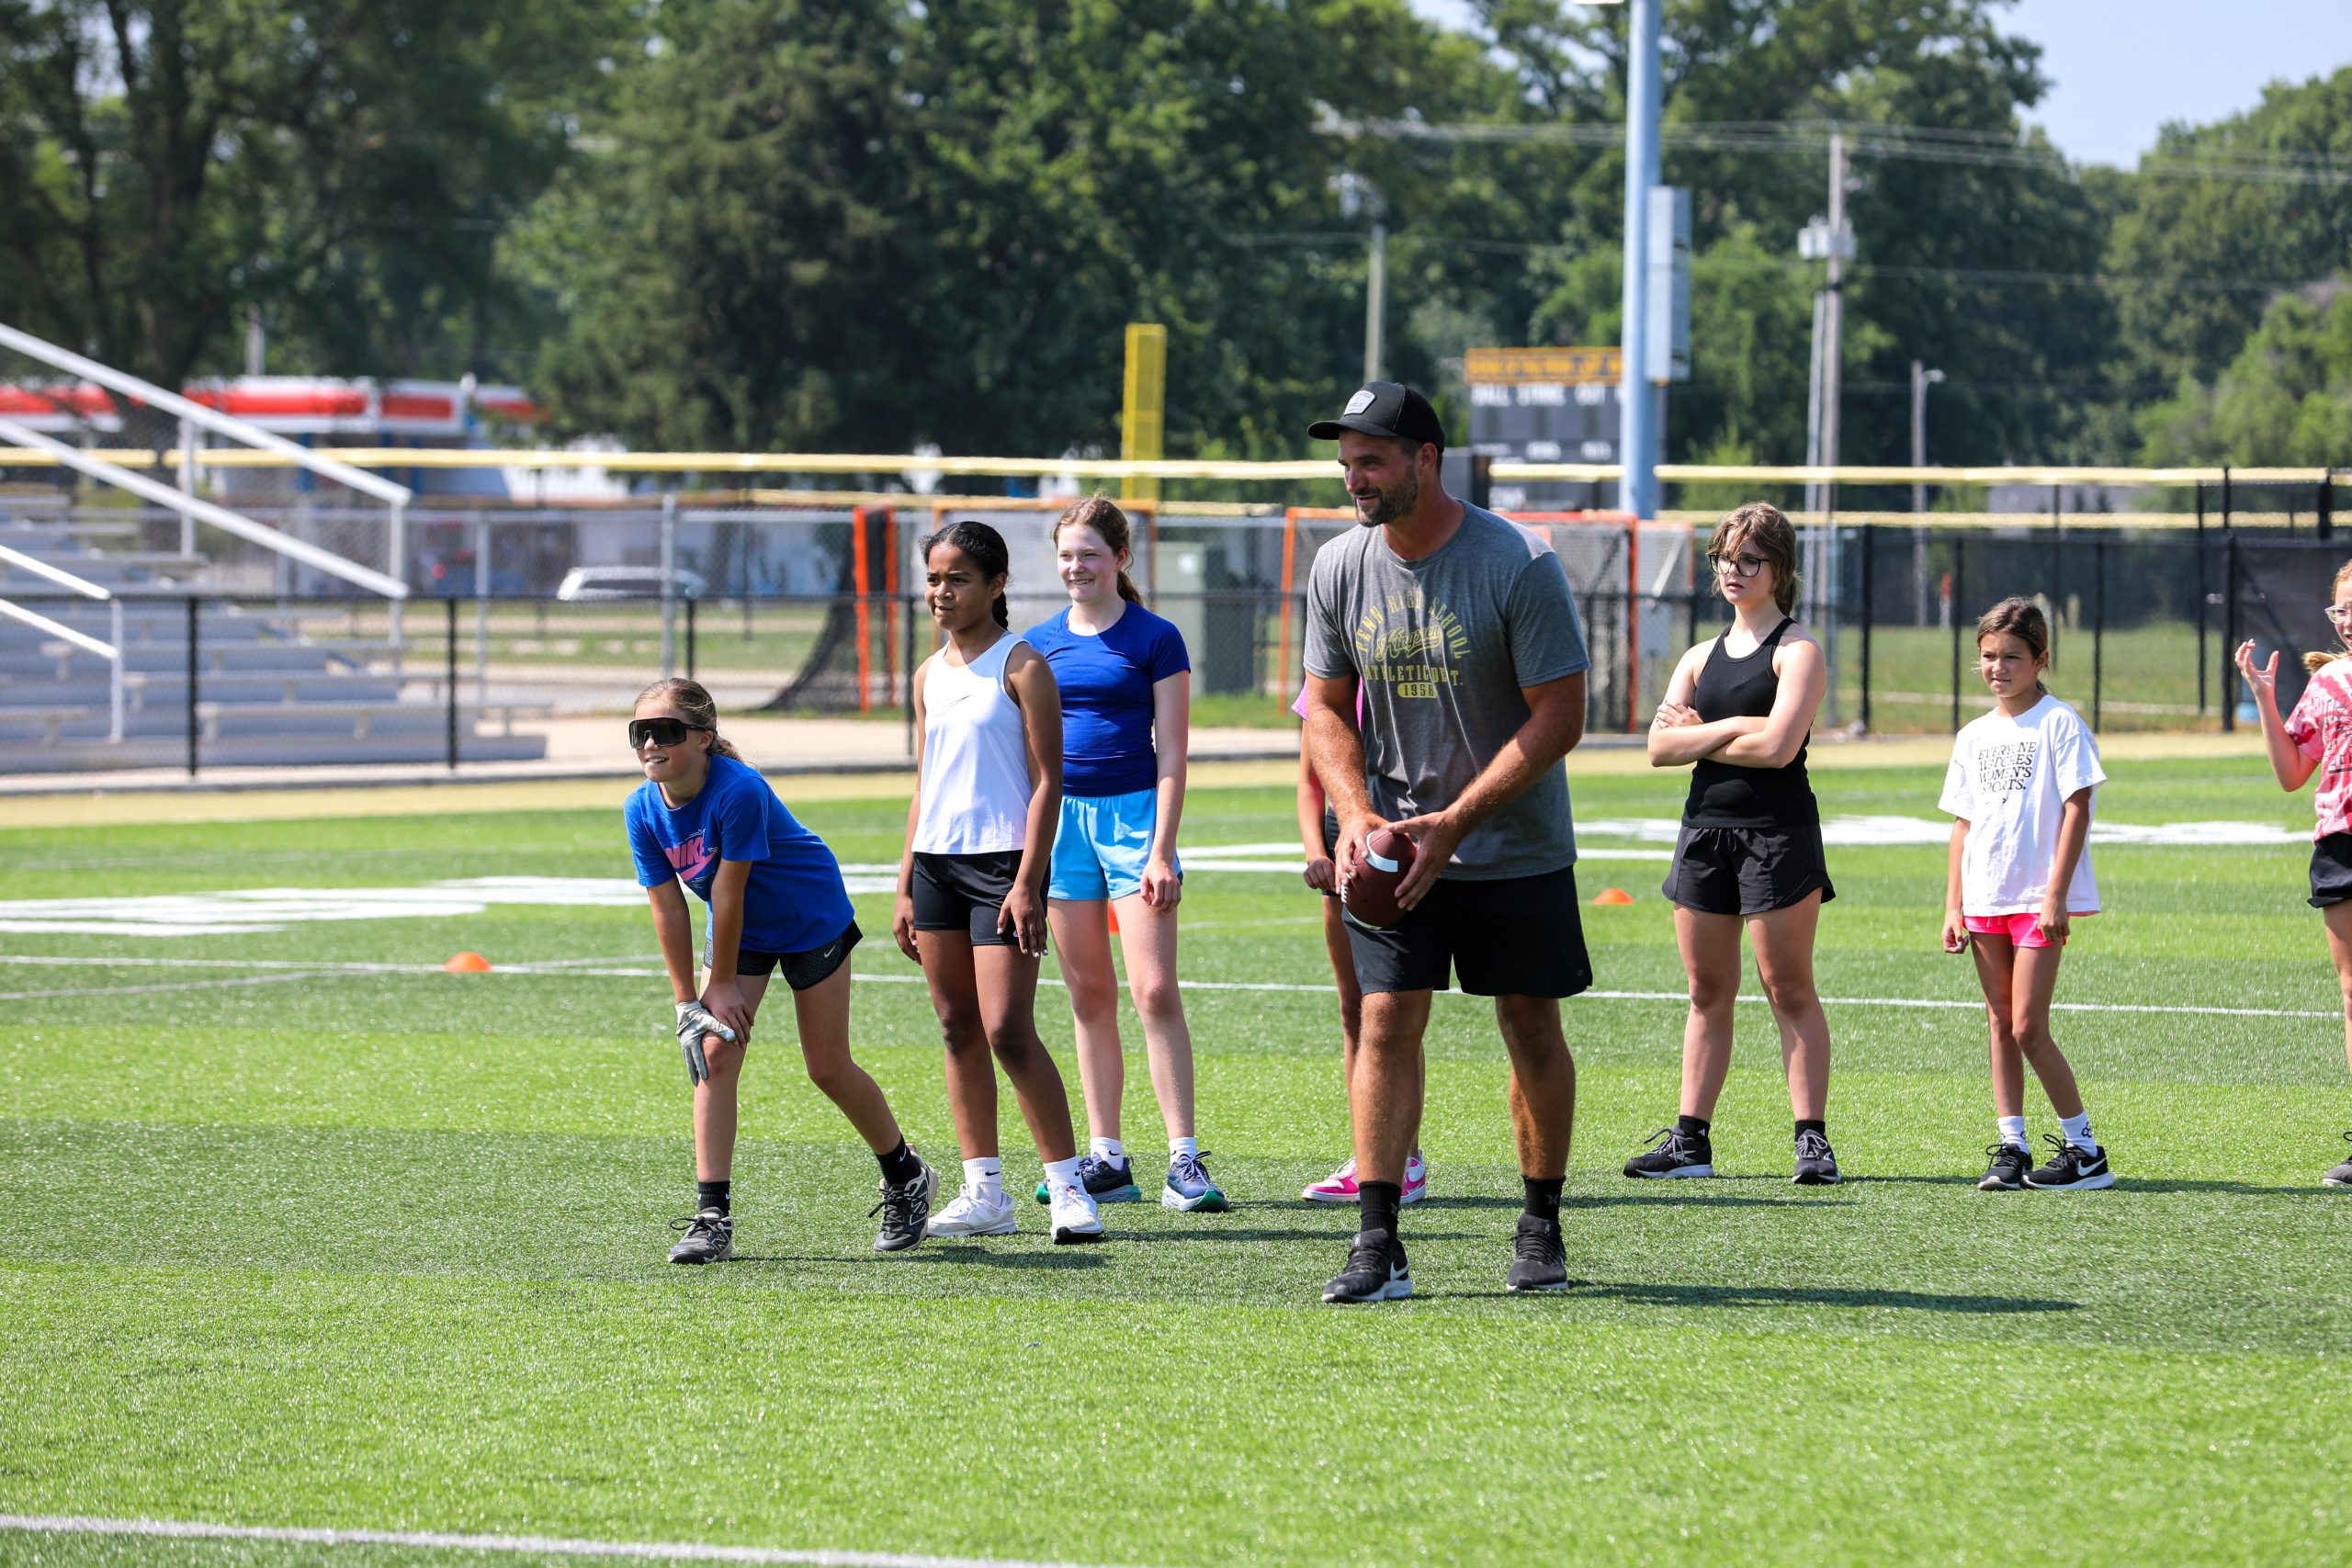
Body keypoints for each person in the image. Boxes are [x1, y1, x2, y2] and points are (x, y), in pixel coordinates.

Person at [1300, 379, 1593, 1302]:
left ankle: (1540, 1220)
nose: (1356, 479)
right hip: (1391, 849)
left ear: (1427, 460)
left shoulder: (1516, 565)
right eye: (1347, 464)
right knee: (1384, 1018)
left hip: (1511, 846)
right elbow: (1324, 710)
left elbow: (1561, 715)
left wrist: (1457, 820)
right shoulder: (1338, 567)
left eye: (1372, 460)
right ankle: (1377, 1240)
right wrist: (1355, 816)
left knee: (1529, 1024)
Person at [624, 677, 936, 1263]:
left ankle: (906, 1175)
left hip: (807, 917)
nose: (649, 744)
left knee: (827, 1066)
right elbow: (666, 904)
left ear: (704, 738)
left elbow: (731, 890)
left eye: (664, 731)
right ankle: (711, 1216)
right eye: (639, 732)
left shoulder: (738, 789)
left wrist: (719, 983)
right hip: (741, 928)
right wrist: (687, 1000)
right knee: (713, 1056)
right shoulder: (641, 807)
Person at [893, 519, 1105, 1243]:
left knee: (1008, 1028)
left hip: (1001, 867)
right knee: (956, 1028)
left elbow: (1051, 780)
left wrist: (1026, 881)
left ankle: (1068, 1186)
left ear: (996, 585)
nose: (941, 592)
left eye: (957, 578)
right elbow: (926, 783)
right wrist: (903, 885)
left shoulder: (1023, 665)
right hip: (936, 867)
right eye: (933, 579)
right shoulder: (927, 675)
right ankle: (984, 1189)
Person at [1025, 497, 1227, 1213]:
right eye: (1067, 555)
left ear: (1120, 558)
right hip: (1061, 828)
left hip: (1135, 820)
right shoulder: (1037, 643)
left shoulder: (1157, 638)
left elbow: (1172, 753)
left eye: (1089, 554)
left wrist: (1162, 849)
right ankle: (1106, 1156)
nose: (1076, 566)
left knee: (1153, 990)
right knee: (1087, 996)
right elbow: (1027, 757)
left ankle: (1185, 1160)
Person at [1632, 502, 1842, 1186]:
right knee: (1706, 990)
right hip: (1703, 833)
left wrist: (1708, 728)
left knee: (1788, 989)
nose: (1733, 570)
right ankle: (1691, 1141)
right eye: (1724, 557)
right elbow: (1660, 748)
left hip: (1777, 835)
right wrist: (1733, 728)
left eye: (1748, 559)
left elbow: (1780, 748)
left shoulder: (1798, 649)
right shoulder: (1698, 655)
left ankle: (1811, 1140)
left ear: (1778, 569)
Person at [1939, 599, 2114, 1192]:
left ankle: (2085, 1148)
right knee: (1998, 1021)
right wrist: (1952, 904)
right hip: (1985, 898)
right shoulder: (1972, 735)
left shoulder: (2060, 722)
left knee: (2028, 1027)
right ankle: (2011, 1145)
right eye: (1988, 656)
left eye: (2012, 656)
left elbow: (2077, 806)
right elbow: (1962, 826)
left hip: (2038, 900)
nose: (1998, 667)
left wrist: (2056, 894)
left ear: (2040, 659)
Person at [2237, 560, 2352, 1188]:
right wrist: (2263, 697)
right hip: (2340, 846)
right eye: (2342, 609)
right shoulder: (2327, 683)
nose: (2349, 619)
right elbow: (2291, 772)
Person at [1295, 677, 1426, 1207]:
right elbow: (1309, 781)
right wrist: (1315, 853)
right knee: (1355, 1006)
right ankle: (1370, 1157)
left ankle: (1406, 1162)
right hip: (1344, 846)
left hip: (1409, 837)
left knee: (1398, 1005)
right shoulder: (1327, 679)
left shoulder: (1415, 668)